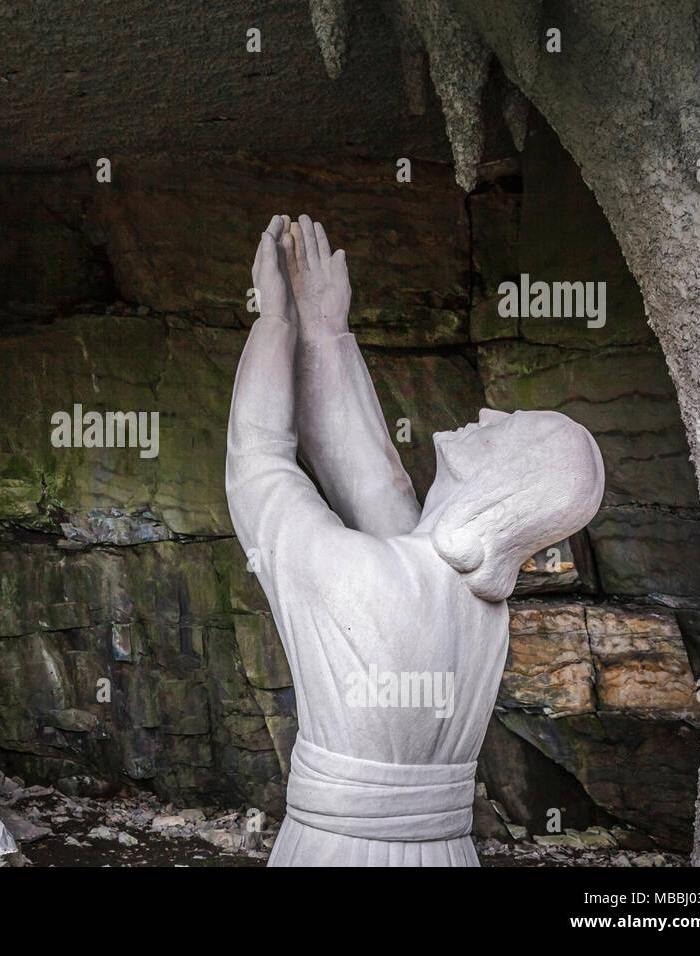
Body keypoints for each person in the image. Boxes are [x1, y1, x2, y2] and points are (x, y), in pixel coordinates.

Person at [226, 214, 605, 865]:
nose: (486, 413)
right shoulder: (480, 611)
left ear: (498, 488)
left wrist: (275, 321)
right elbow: (378, 488)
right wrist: (324, 334)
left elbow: (258, 462)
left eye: (504, 428)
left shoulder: (360, 577)